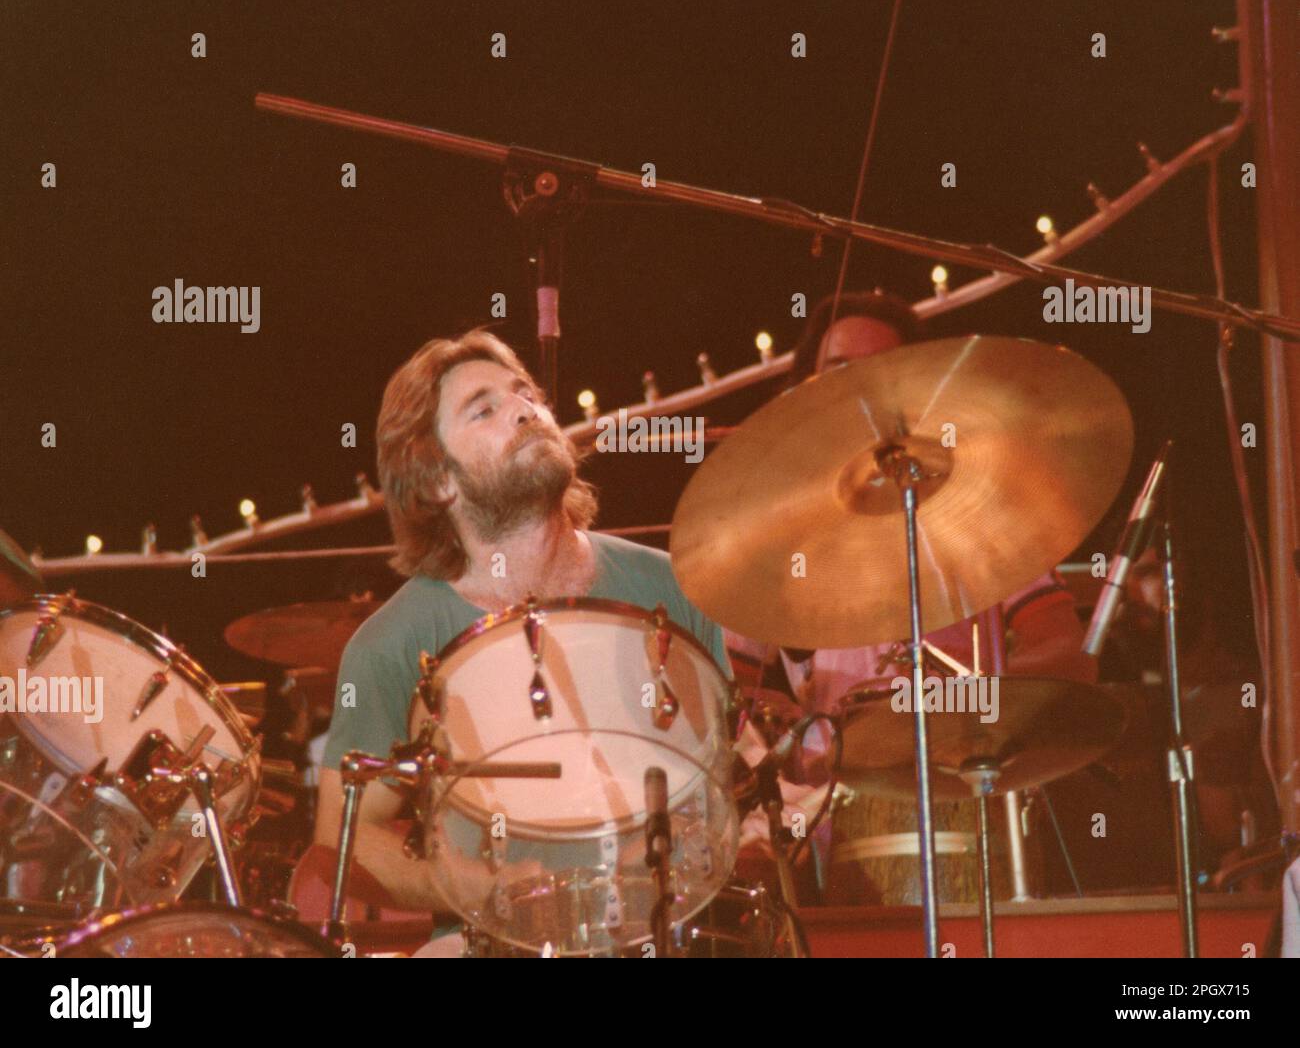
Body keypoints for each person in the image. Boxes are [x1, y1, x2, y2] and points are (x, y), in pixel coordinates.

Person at [314, 328, 751, 913]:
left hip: (674, 931)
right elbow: (346, 837)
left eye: (527, 394)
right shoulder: (390, 644)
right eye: (484, 409)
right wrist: (474, 886)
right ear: (439, 480)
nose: (525, 410)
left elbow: (727, 767)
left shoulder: (672, 584)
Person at [727, 291, 1098, 894]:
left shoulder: (982, 517)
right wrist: (772, 753)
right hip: (830, 814)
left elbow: (1065, 654)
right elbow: (723, 687)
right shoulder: (781, 534)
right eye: (839, 372)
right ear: (807, 391)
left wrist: (972, 719)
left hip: (963, 789)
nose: (859, 389)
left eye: (885, 372)